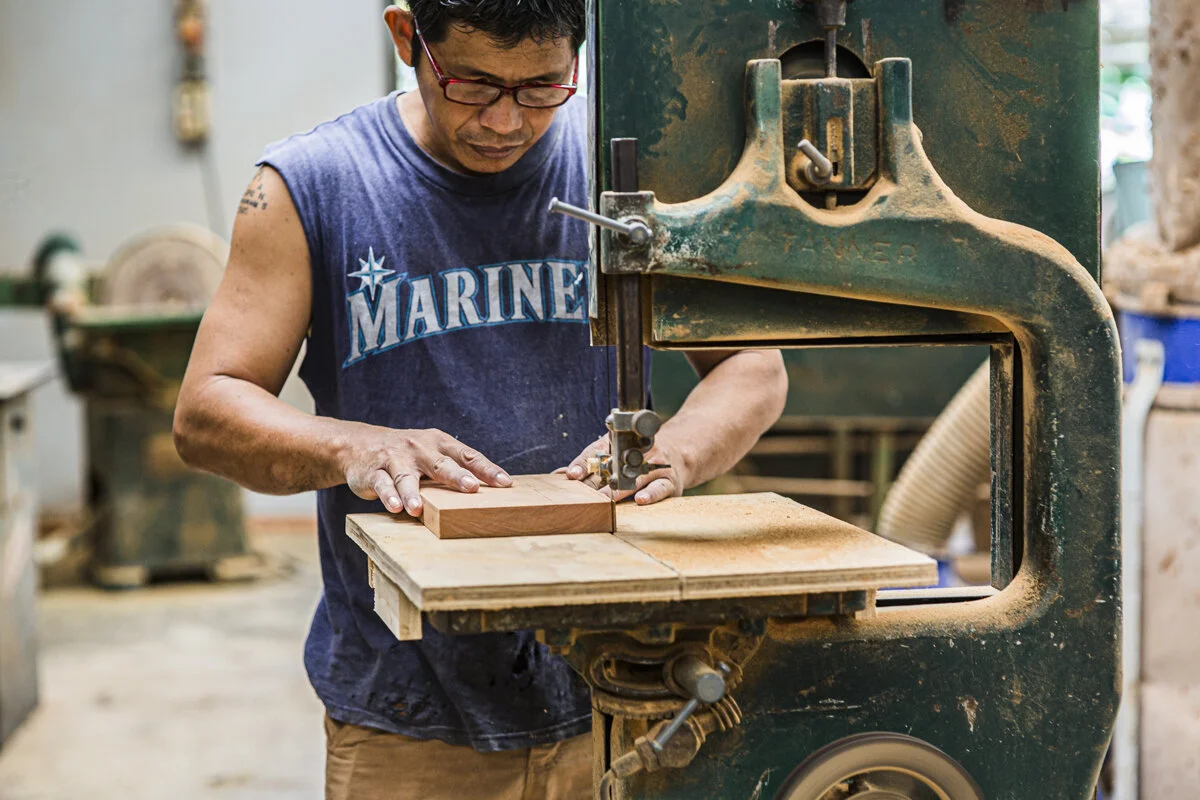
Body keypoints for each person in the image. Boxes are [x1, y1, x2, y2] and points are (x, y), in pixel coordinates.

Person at [173, 2, 788, 797]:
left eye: (542, 86)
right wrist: (356, 446)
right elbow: (206, 411)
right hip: (408, 710)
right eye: (473, 84)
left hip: (619, 690)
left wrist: (677, 448)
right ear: (406, 39)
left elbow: (753, 364)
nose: (505, 120)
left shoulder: (624, 173)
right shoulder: (312, 185)